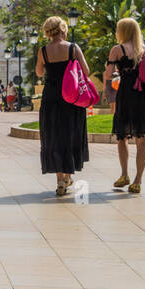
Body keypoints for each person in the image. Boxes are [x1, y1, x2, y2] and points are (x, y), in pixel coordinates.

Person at [104, 17, 145, 194]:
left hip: (126, 95)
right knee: (142, 139)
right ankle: (138, 180)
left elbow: (108, 75)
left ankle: (124, 174)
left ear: (122, 31)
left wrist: (113, 69)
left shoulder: (117, 50)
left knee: (122, 136)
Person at [35, 15, 90, 196]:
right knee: (70, 133)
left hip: (51, 97)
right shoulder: (73, 48)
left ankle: (60, 180)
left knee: (54, 135)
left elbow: (39, 72)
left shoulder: (43, 50)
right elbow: (86, 71)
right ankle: (67, 176)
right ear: (63, 29)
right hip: (71, 96)